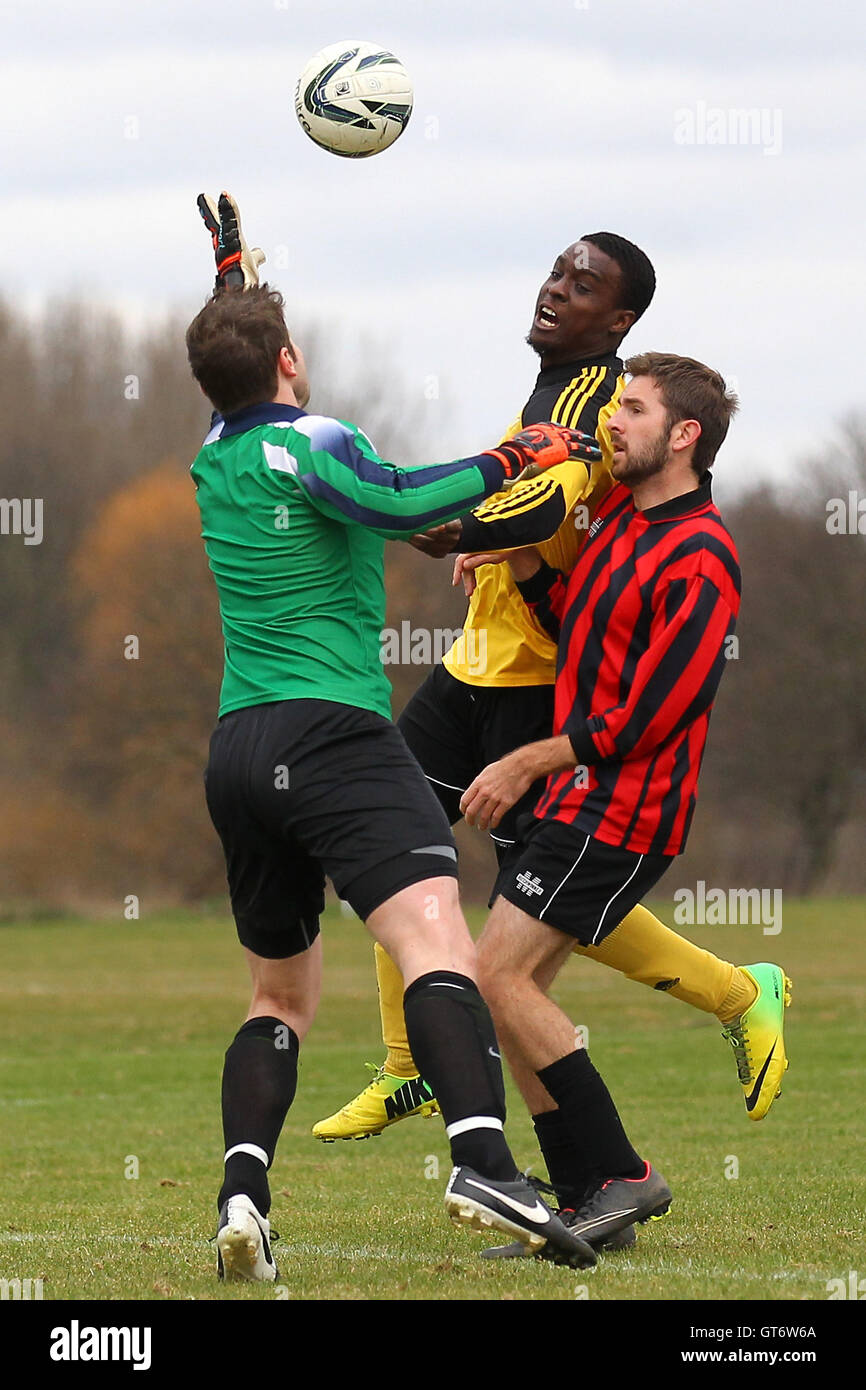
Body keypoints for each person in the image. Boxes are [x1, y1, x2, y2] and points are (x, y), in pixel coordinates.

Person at [186, 193, 604, 1280]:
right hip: (333, 731)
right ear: (290, 359)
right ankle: (480, 1161)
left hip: (237, 749)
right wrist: (517, 458)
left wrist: (231, 273)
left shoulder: (214, 451)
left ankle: (242, 1197)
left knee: (277, 1000)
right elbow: (390, 498)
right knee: (438, 945)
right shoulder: (310, 439)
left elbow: (230, 360)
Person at [314, 235, 790, 1149]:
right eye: (556, 273)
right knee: (383, 835)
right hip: (479, 661)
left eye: (583, 286)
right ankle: (408, 1065)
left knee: (544, 907)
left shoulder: (601, 401)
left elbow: (550, 498)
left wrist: (457, 526)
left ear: (618, 321)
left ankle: (735, 993)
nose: (555, 291)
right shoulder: (552, 389)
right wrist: (504, 550)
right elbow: (551, 516)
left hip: (539, 679)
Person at [465, 353, 790, 1256]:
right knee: (506, 991)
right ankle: (583, 1201)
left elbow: (658, 711)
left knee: (494, 976)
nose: (614, 423)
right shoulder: (620, 525)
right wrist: (524, 559)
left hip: (620, 806)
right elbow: (580, 624)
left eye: (635, 410)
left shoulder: (702, 553)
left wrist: (532, 757)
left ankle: (623, 1175)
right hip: (580, 795)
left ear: (684, 435)